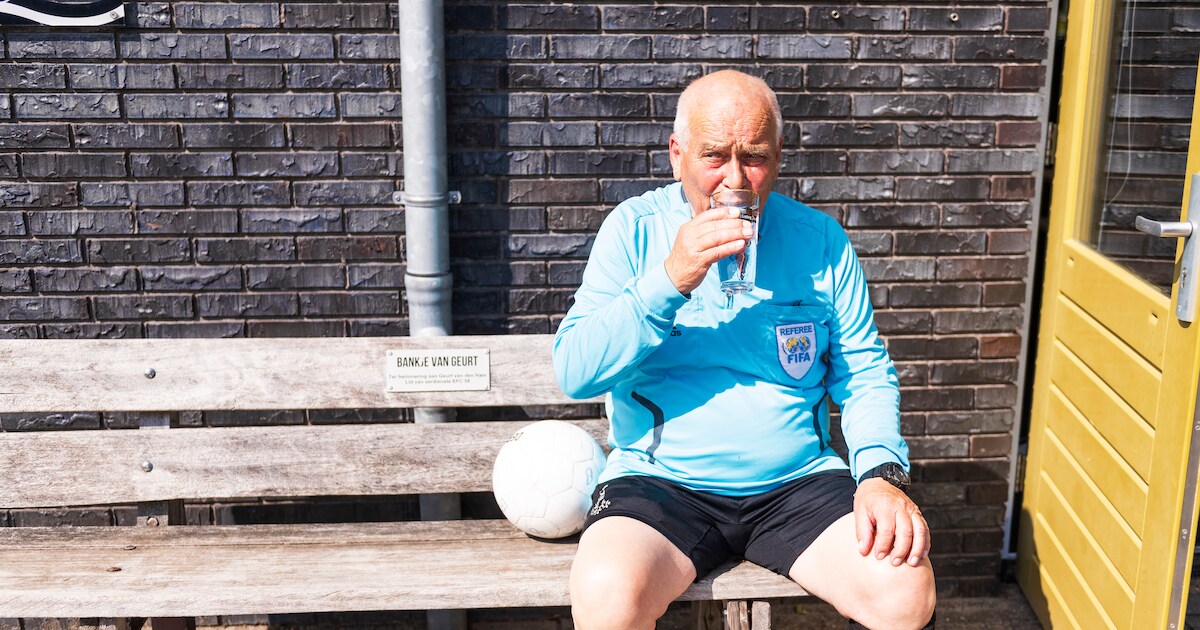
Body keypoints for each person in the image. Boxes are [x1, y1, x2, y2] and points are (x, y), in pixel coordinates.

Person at [552, 70, 936, 630]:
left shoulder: (820, 242)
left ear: (777, 157)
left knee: (904, 593)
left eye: (753, 157)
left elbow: (863, 370)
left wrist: (880, 473)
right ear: (676, 155)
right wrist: (670, 279)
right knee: (607, 596)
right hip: (663, 484)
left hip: (796, 483)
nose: (735, 181)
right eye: (714, 156)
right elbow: (575, 370)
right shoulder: (633, 231)